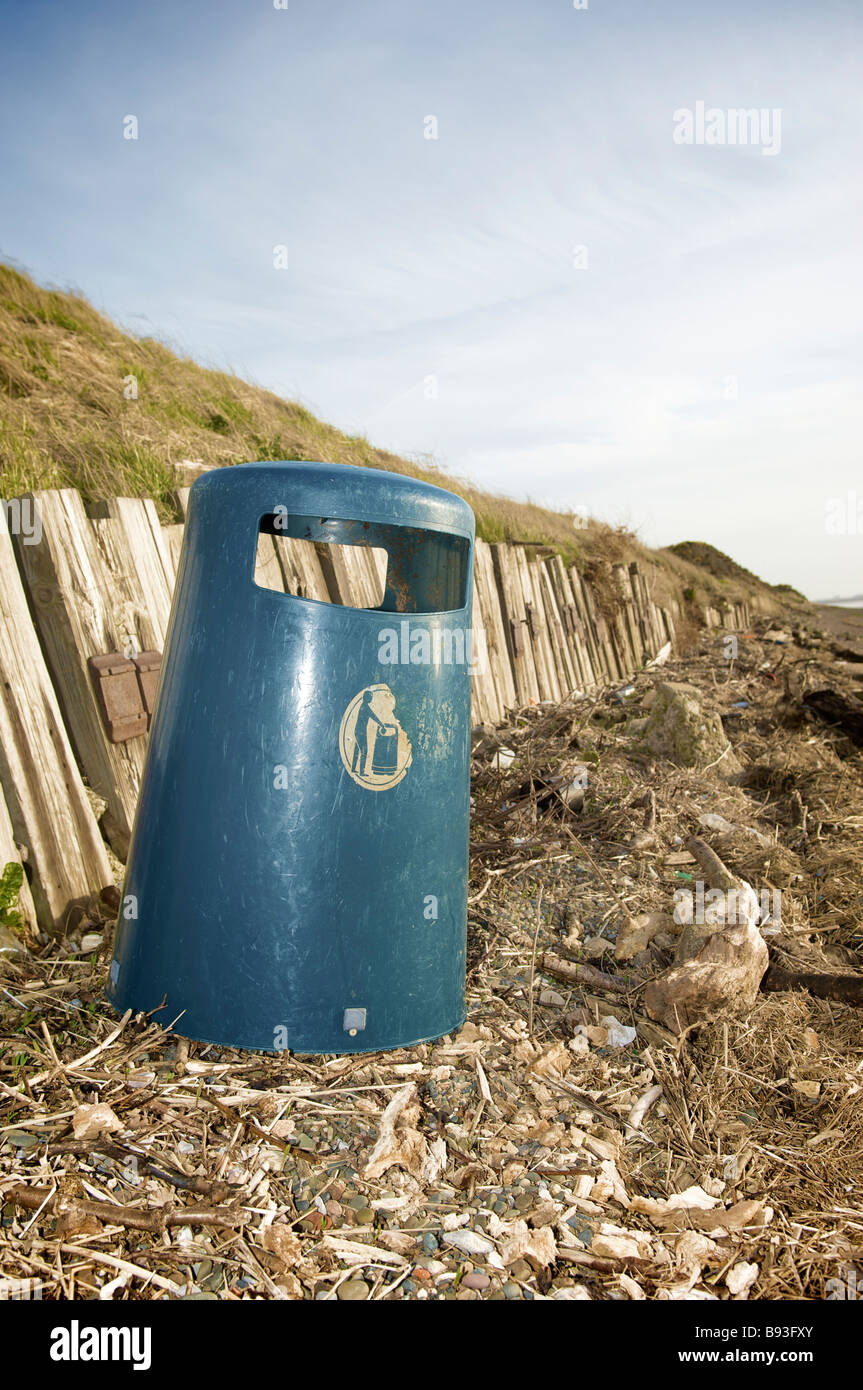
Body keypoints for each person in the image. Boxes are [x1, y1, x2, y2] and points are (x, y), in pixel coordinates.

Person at [351, 689, 387, 777]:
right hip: (361, 732)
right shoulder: (365, 707)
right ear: (366, 697)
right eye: (370, 697)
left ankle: (353, 768)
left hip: (358, 731)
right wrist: (382, 724)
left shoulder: (363, 706)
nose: (371, 698)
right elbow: (373, 716)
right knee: (364, 750)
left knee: (357, 750)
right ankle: (362, 772)